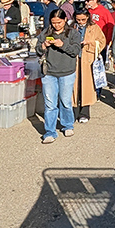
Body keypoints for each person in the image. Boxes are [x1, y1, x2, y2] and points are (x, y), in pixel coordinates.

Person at [36, 9, 81, 143]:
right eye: (54, 22)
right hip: (48, 72)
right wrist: (44, 45)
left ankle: (67, 125)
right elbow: (37, 50)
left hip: (67, 72)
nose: (56, 25)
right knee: (49, 104)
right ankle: (50, 131)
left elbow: (76, 51)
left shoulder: (73, 33)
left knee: (65, 101)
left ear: (65, 20)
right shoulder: (45, 33)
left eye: (59, 22)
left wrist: (63, 45)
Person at [72, 8, 106, 123]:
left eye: (83, 19)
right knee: (74, 86)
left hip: (88, 60)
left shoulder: (94, 27)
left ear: (87, 17)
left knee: (86, 86)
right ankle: (74, 111)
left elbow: (102, 42)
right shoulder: (72, 27)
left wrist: (90, 43)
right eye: (78, 19)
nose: (80, 22)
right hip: (75, 60)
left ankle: (84, 112)